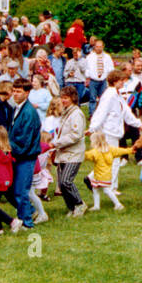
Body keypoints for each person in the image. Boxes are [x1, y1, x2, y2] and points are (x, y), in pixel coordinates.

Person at [7, 78, 42, 232]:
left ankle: (27, 222)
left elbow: (25, 141)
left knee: (21, 191)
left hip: (26, 157)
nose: (15, 94)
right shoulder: (17, 108)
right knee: (16, 191)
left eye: (19, 91)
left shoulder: (29, 112)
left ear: (27, 93)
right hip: (19, 156)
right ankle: (24, 217)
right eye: (13, 91)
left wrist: (9, 146)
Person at [53, 86, 87, 218]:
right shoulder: (66, 112)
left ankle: (79, 203)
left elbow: (76, 134)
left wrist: (57, 142)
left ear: (73, 98)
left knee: (66, 181)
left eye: (66, 98)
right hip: (63, 153)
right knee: (61, 183)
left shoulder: (76, 113)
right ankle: (71, 206)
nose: (63, 100)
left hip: (74, 153)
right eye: (62, 98)